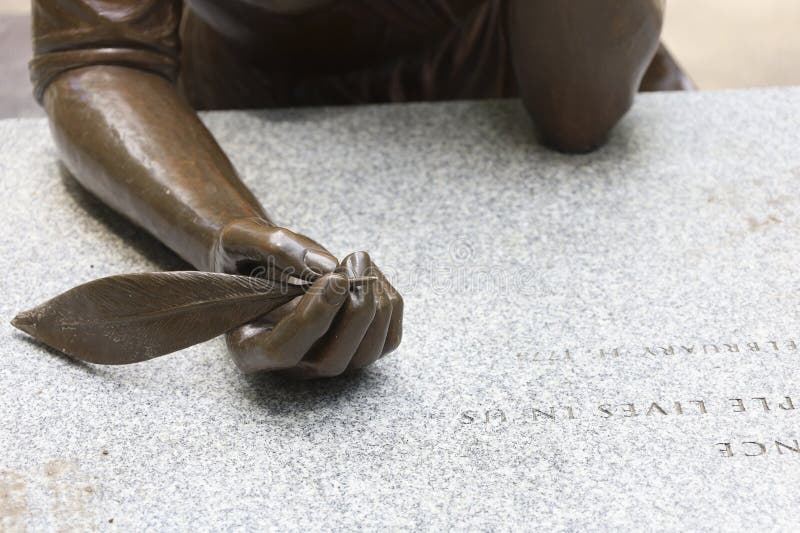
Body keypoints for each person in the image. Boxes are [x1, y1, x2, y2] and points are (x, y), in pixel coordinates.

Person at [29, 0, 691, 378]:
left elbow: (578, 114)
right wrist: (228, 238)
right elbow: (98, 55)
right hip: (220, 123)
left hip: (522, 80)